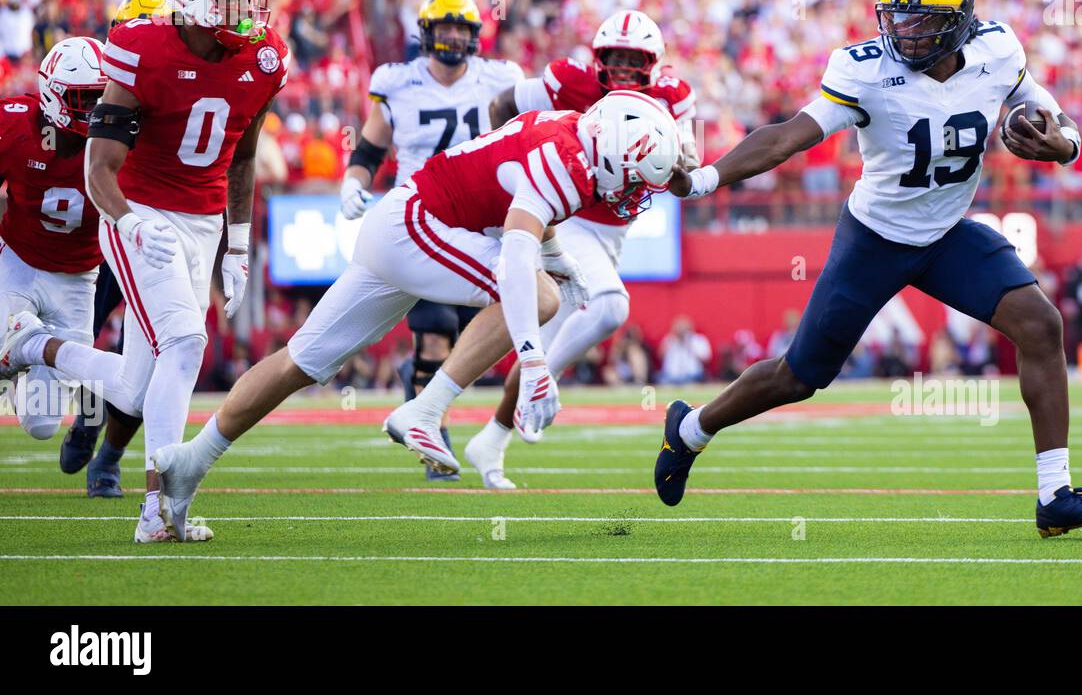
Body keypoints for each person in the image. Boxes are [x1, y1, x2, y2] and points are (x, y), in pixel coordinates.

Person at [656, 0, 1082, 537]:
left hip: (949, 232)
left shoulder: (997, 50)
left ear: (959, 21)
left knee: (1041, 324)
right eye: (896, 17)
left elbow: (1057, 120)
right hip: (875, 238)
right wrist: (702, 179)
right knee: (799, 375)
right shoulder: (865, 69)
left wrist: (1065, 147)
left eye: (921, 19)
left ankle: (1054, 495)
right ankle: (691, 429)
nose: (903, 32)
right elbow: (786, 139)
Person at [127, 91, 680, 541]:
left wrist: (561, 262)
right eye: (634, 178)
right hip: (416, 226)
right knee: (537, 298)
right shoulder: (568, 161)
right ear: (613, 151)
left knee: (298, 361)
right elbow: (516, 250)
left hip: (404, 222)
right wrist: (534, 363)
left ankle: (189, 464)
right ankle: (423, 410)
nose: (632, 194)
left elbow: (539, 212)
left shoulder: (571, 131)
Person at [0, 0, 288, 543]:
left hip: (204, 222)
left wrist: (235, 245)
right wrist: (127, 221)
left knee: (134, 387)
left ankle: (29, 346)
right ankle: (161, 509)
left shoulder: (264, 58)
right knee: (185, 342)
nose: (247, 11)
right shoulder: (141, 48)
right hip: (141, 211)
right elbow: (99, 165)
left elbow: (243, 158)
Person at [461, 9, 697, 489]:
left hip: (613, 233)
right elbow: (503, 105)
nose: (626, 68)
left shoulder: (672, 97)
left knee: (547, 339)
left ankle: (493, 437)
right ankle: (539, 381)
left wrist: (680, 165)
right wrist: (510, 171)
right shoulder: (568, 79)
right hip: (564, 216)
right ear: (598, 58)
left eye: (636, 59)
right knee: (610, 306)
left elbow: (687, 170)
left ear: (653, 63)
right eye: (616, 58)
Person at [339, 0, 522, 481]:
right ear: (426, 33)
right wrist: (353, 182)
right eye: (444, 28)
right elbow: (371, 149)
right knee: (436, 337)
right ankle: (434, 436)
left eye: (461, 29)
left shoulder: (499, 81)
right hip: (422, 222)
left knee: (468, 341)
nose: (453, 37)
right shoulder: (399, 84)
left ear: (475, 36)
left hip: (481, 226)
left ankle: (421, 390)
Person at [60, 0, 174, 498]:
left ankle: (110, 455)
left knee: (147, 352)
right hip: (103, 230)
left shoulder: (188, 91)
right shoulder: (94, 89)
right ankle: (88, 420)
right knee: (89, 338)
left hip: (159, 234)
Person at [0, 38, 107, 445]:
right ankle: (21, 342)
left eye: (101, 96)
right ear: (53, 95)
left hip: (79, 280)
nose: (96, 109)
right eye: (84, 98)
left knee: (42, 425)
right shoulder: (13, 125)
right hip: (18, 264)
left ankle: (23, 349)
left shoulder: (121, 138)